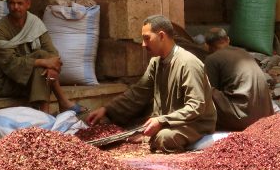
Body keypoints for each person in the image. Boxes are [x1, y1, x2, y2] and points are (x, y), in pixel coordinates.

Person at [87, 14, 216, 153]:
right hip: (169, 120)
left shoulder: (188, 63)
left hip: (195, 123)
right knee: (127, 125)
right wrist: (107, 109)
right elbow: (138, 93)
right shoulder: (156, 62)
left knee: (164, 138)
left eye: (147, 38)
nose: (143, 44)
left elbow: (196, 107)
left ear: (161, 36)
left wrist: (161, 121)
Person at [0, 0, 77, 112]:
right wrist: (43, 62)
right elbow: (10, 63)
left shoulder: (35, 23)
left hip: (33, 78)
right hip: (7, 83)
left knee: (43, 64)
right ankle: (59, 103)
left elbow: (52, 53)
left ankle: (46, 111)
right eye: (12, 3)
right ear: (7, 5)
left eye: (20, 3)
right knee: (41, 59)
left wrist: (49, 66)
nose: (16, 7)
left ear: (28, 4)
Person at [203, 27, 274, 131]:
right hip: (265, 114)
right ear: (228, 40)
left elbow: (209, 91)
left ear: (207, 45)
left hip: (242, 118)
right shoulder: (243, 52)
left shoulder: (212, 59)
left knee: (204, 88)